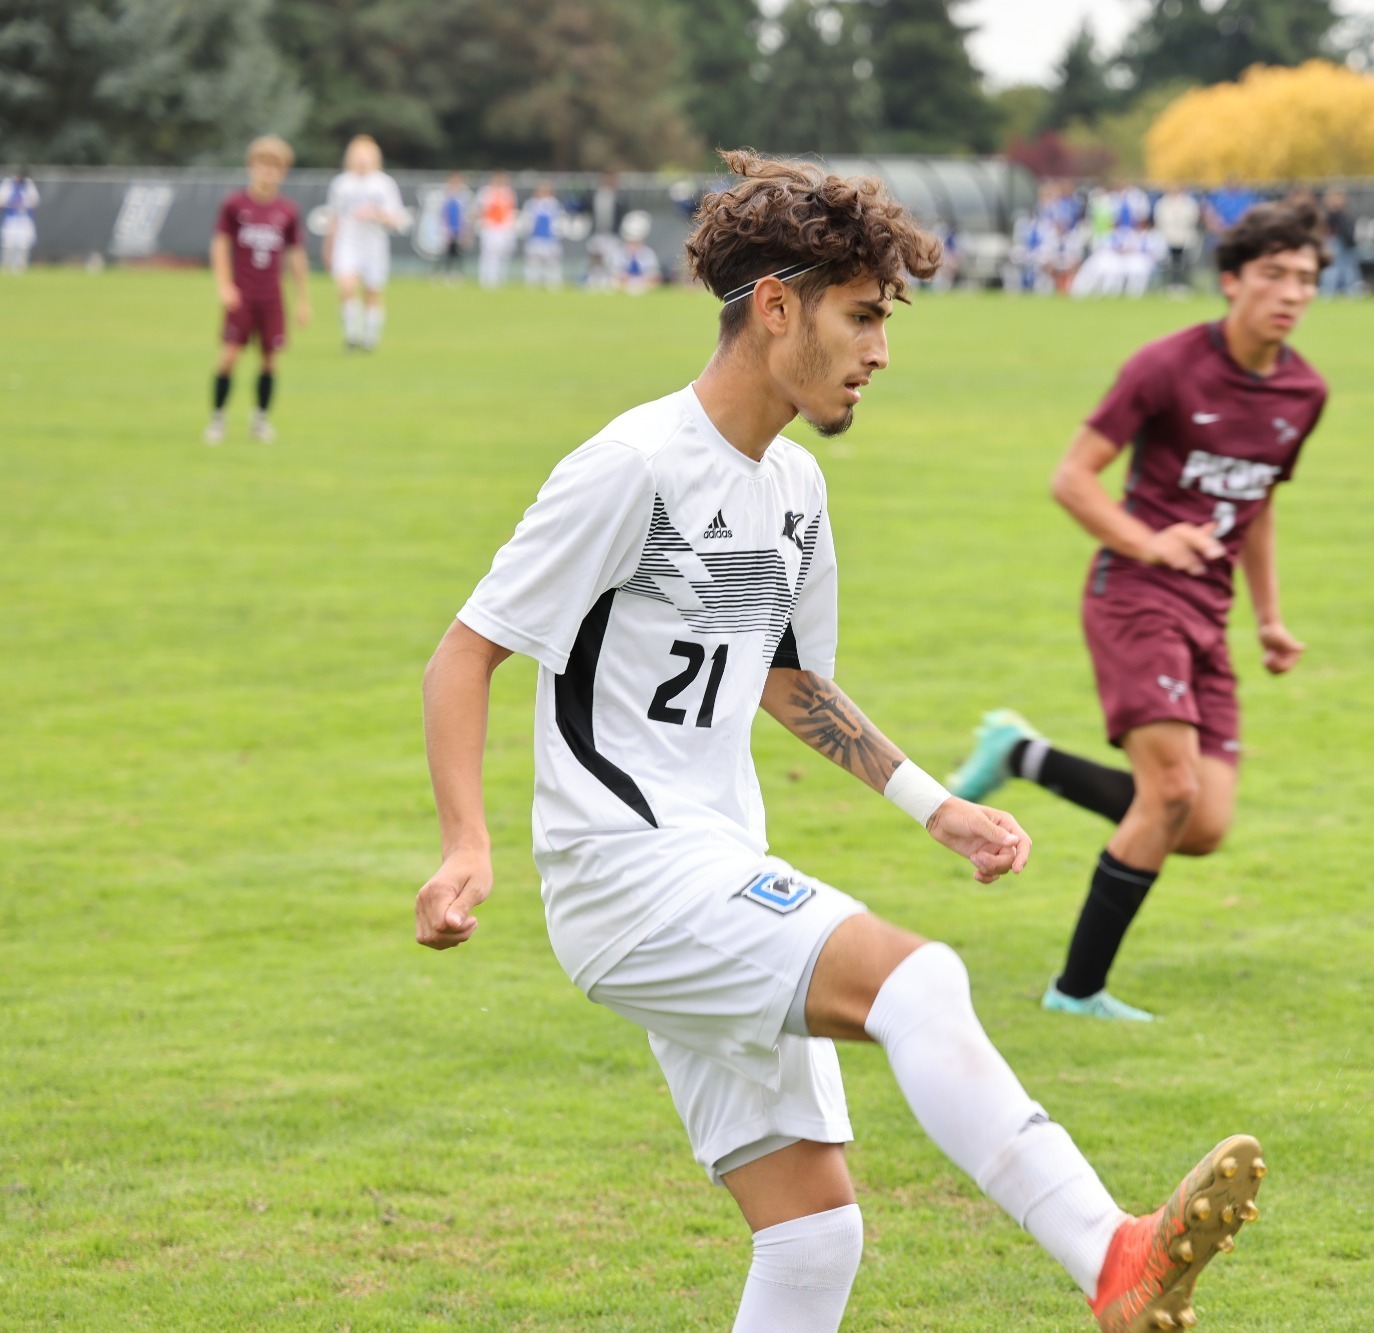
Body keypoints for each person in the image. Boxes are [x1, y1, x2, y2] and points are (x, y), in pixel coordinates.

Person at [411, 149, 1265, 1333]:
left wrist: (936, 805)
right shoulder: (632, 467)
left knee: (814, 1234)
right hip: (627, 870)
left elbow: (792, 684)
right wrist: (467, 846)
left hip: (709, 861)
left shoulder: (793, 489)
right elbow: (465, 653)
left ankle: (1108, 1263)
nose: (879, 349)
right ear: (776, 308)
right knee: (918, 981)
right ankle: (1108, 1255)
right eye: (860, 315)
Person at [945, 200, 1327, 1021]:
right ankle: (1075, 992)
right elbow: (1073, 477)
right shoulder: (1167, 365)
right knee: (1174, 789)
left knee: (1200, 823)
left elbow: (1257, 505)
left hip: (1209, 608)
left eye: (1306, 278)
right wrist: (1150, 545)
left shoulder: (1305, 390)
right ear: (1231, 281)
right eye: (1273, 275)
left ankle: (1021, 753)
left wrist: (1267, 616)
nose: (1291, 293)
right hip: (1135, 597)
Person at [204, 136, 310, 445]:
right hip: (242, 294)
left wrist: (302, 299)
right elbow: (221, 246)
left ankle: (260, 421)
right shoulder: (235, 205)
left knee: (269, 360)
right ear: (251, 167)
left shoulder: (287, 211)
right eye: (262, 165)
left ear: (283, 172)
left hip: (272, 296)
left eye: (275, 167)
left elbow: (296, 255)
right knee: (228, 357)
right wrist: (224, 285)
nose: (268, 172)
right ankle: (217, 419)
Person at [324, 135, 407, 352]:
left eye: (366, 157)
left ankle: (370, 338)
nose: (362, 161)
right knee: (346, 286)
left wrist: (376, 213)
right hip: (348, 243)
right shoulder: (341, 184)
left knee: (372, 291)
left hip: (374, 245)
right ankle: (352, 336)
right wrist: (328, 247)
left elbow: (396, 219)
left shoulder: (384, 184)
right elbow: (333, 218)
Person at [1154, 185, 1203, 295]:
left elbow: (1192, 218)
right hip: (1168, 237)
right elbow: (1160, 219)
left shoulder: (1189, 203)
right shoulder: (1163, 203)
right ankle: (1169, 285)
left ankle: (1183, 285)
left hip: (1184, 238)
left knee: (1183, 263)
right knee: (1169, 263)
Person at [477, 170, 518, 290]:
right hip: (491, 227)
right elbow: (481, 210)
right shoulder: (486, 192)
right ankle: (487, 279)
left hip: (504, 228)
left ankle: (500, 278)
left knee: (503, 254)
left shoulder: (509, 192)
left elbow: (510, 211)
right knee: (489, 254)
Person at [522, 182, 565, 291]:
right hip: (535, 238)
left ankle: (553, 286)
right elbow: (527, 221)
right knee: (533, 264)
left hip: (550, 239)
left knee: (552, 264)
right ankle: (532, 285)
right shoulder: (531, 204)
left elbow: (559, 222)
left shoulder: (555, 204)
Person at [1319, 189, 1363, 297]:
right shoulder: (1330, 214)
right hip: (1336, 242)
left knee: (1349, 268)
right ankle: (1328, 291)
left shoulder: (1345, 213)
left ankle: (1351, 291)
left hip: (1348, 243)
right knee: (1332, 268)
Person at [1, 167, 39, 274]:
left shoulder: (28, 185)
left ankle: (21, 266)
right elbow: (2, 200)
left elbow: (35, 201)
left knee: (23, 245)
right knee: (8, 244)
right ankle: (6, 265)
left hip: (24, 217)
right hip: (11, 217)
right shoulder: (8, 184)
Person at [437, 172, 472, 284]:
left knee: (458, 253)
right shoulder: (445, 196)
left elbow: (466, 216)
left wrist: (466, 231)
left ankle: (456, 274)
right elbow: (442, 215)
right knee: (447, 253)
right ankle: (443, 273)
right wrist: (445, 230)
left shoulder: (464, 197)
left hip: (459, 230)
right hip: (448, 230)